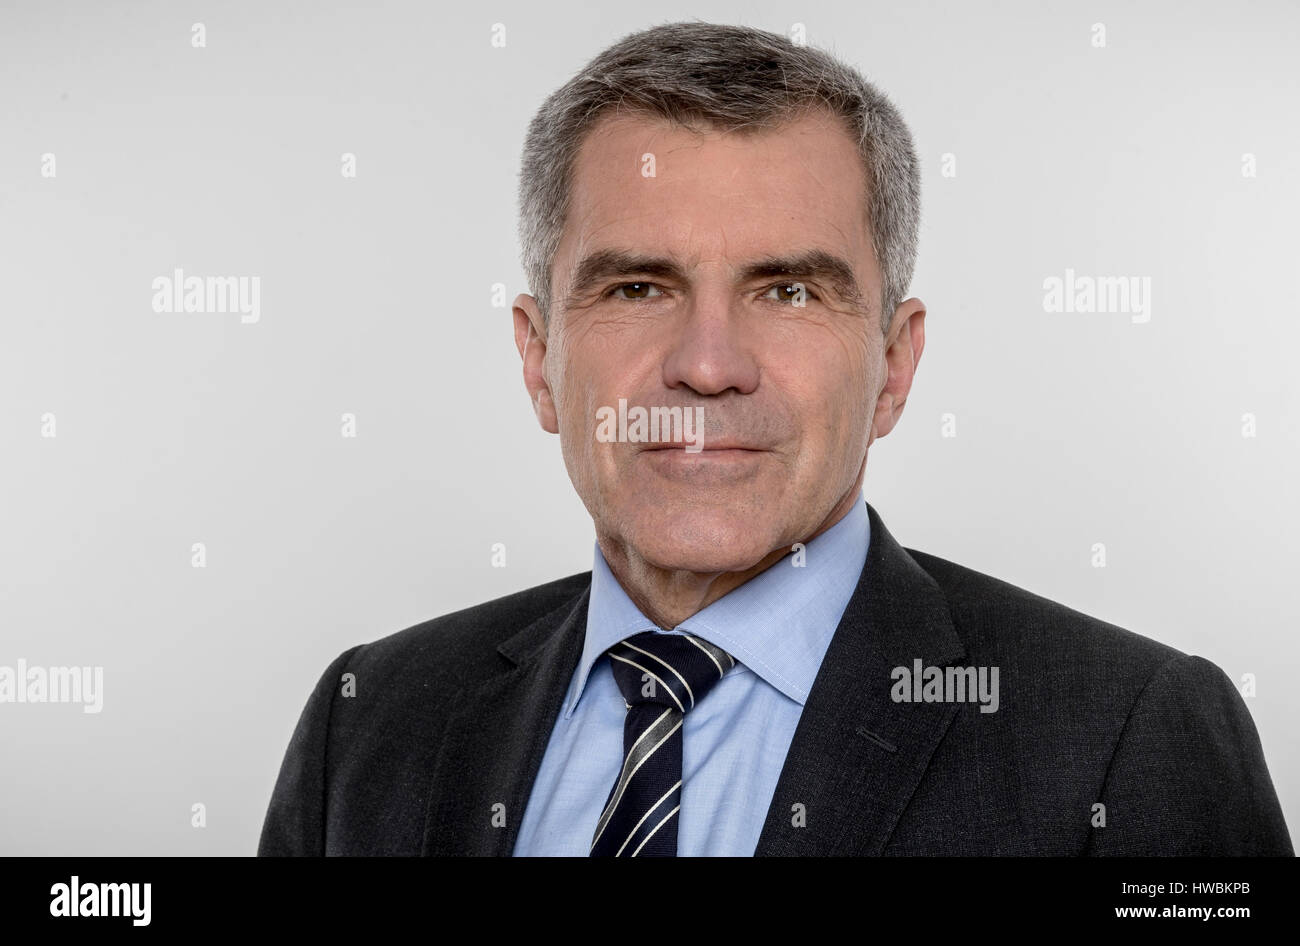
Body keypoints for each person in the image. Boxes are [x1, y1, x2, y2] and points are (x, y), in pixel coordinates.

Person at [258, 21, 1292, 857]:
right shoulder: (370, 720)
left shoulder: (1125, 736)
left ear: (893, 365)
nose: (709, 366)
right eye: (637, 287)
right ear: (539, 360)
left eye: (788, 290)